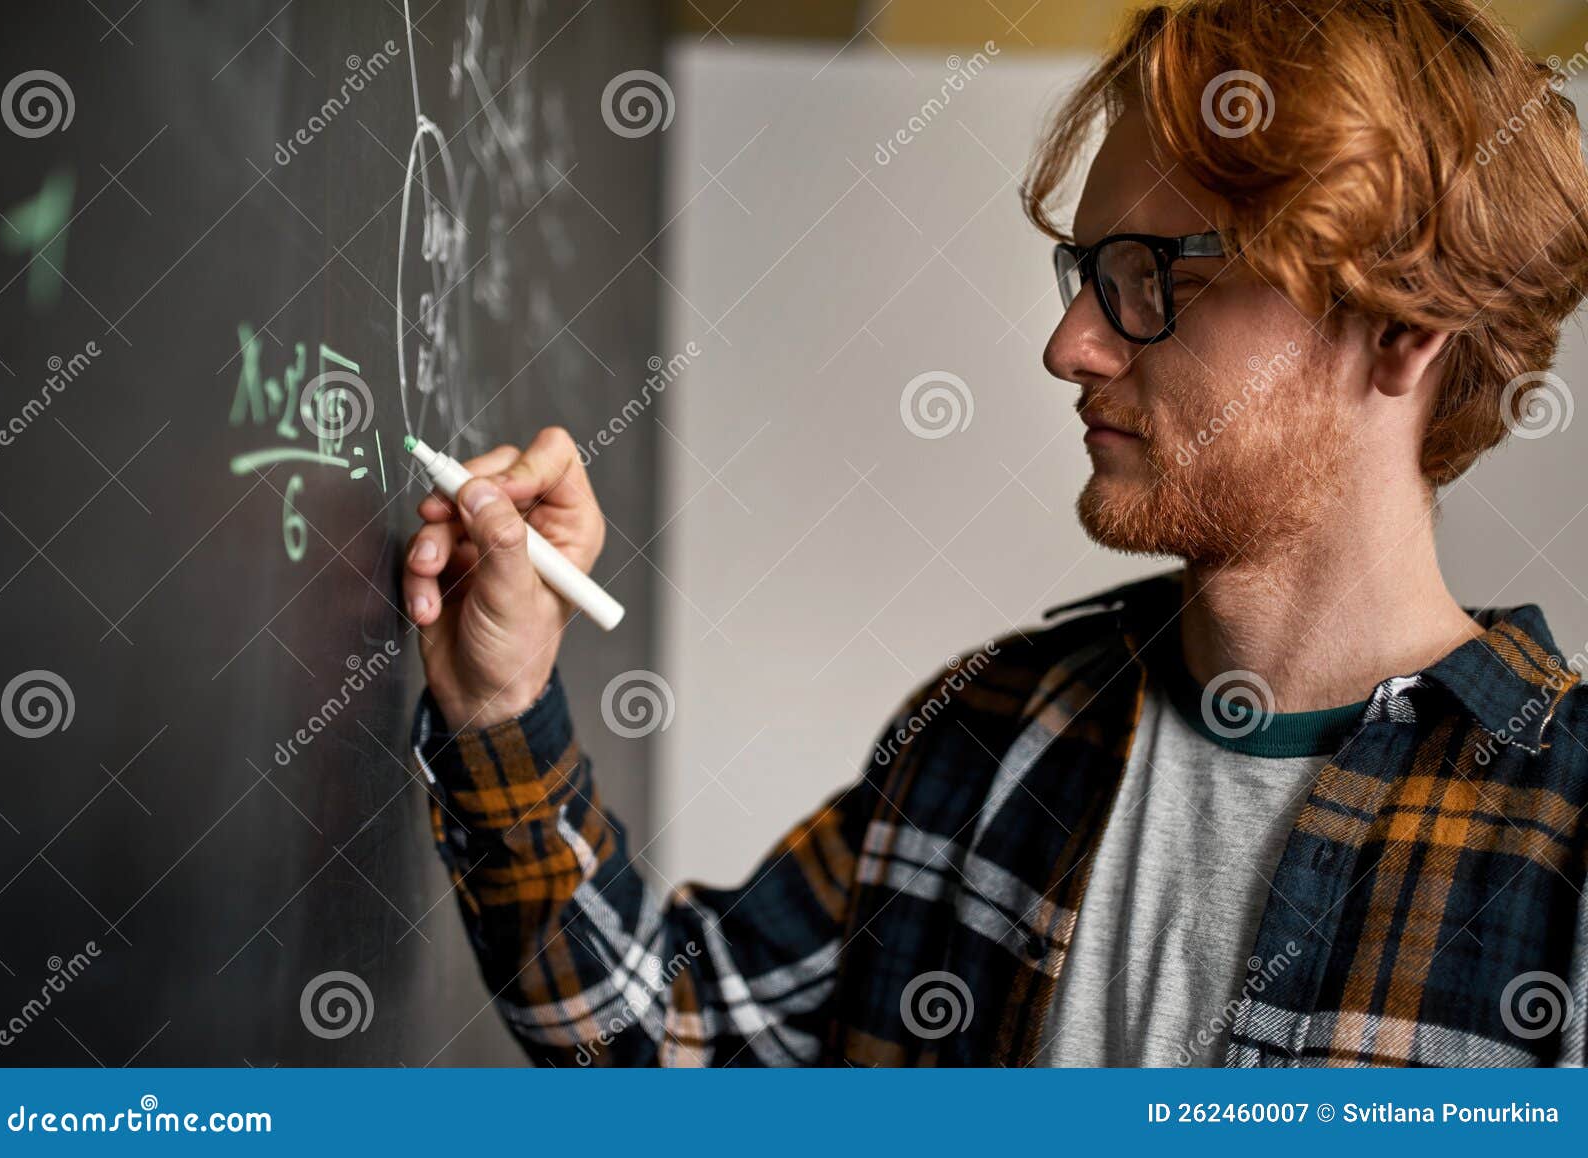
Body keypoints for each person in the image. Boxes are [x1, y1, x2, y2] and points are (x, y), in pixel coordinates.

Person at [402, 0, 1588, 1066]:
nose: (1071, 345)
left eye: (1148, 273)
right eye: (1085, 270)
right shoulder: (988, 735)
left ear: (1397, 328)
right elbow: (668, 1043)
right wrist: (500, 705)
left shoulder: (1561, 844)